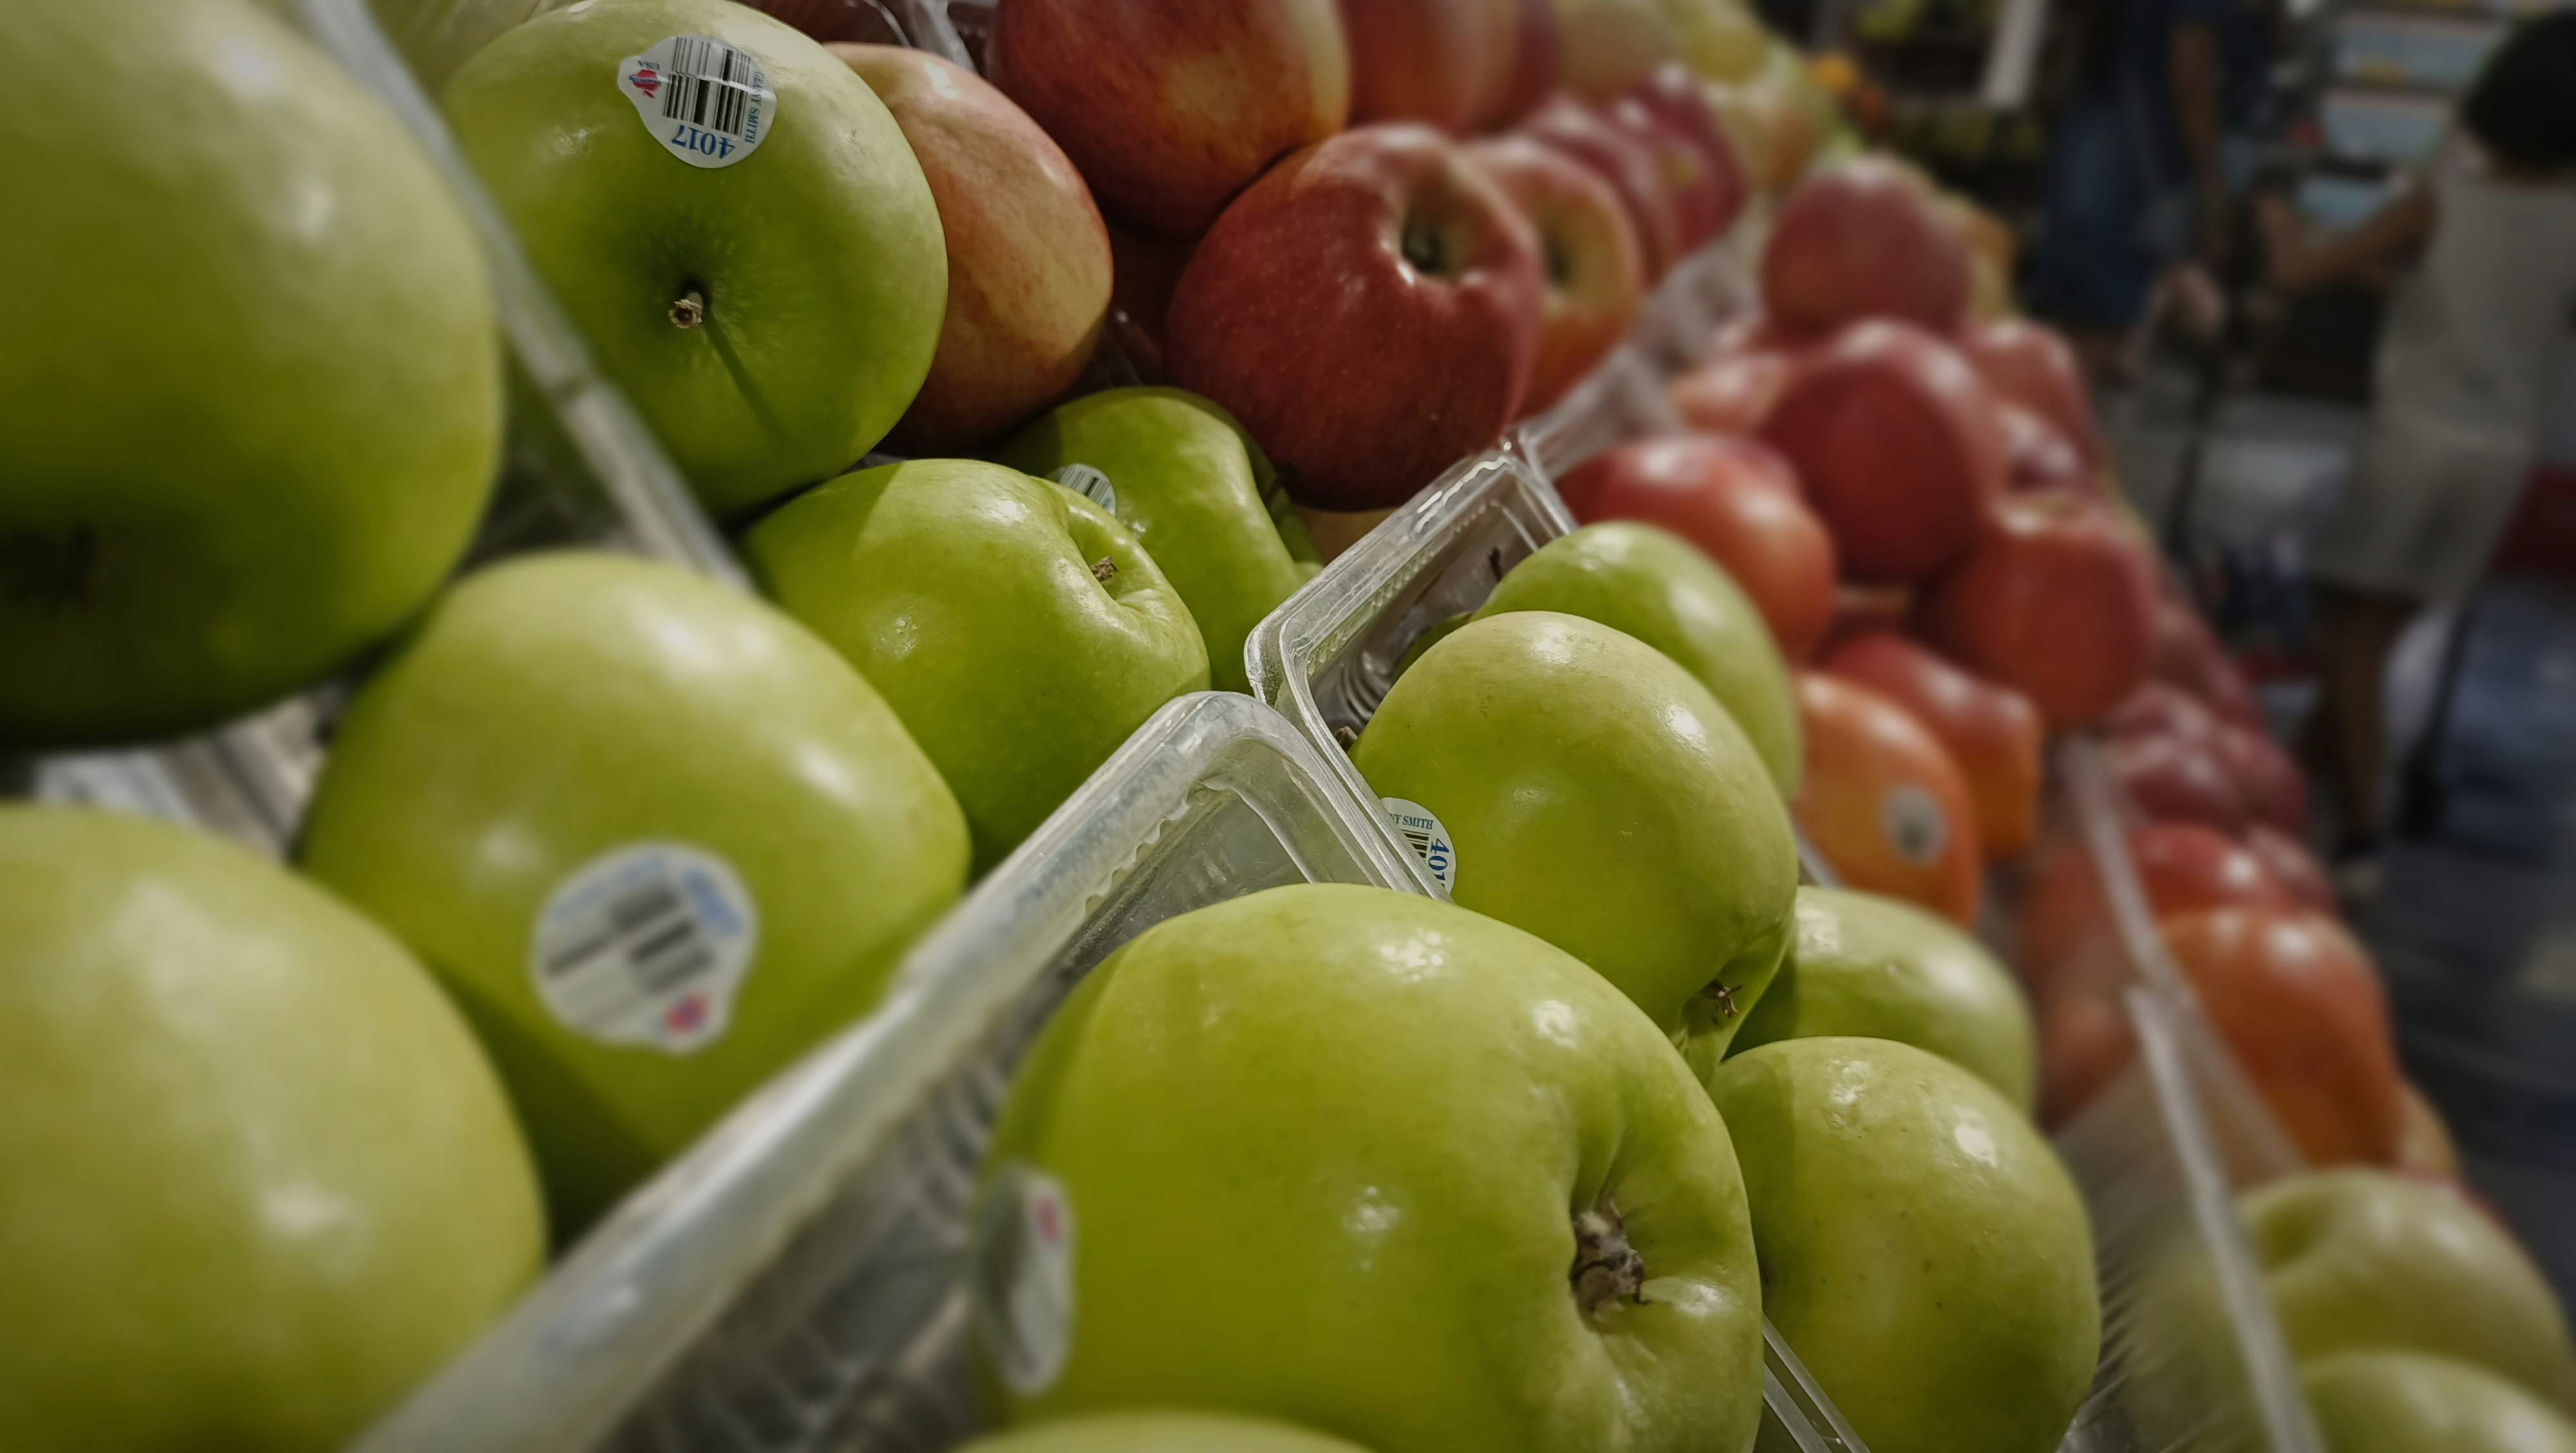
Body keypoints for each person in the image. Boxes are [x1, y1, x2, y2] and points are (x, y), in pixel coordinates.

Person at [2258, 10, 2576, 903]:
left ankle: (2362, 832)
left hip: (2411, 446)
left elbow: (2297, 276)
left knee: (2345, 640)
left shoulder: (2440, 201)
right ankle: (2284, 789)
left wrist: (2278, 220)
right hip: (2495, 462)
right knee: (2377, 637)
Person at [2032, 0, 2278, 375]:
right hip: (2134, 164)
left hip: (2095, 145)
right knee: (2099, 333)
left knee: (2074, 328)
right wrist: (2215, 196)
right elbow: (2191, 80)